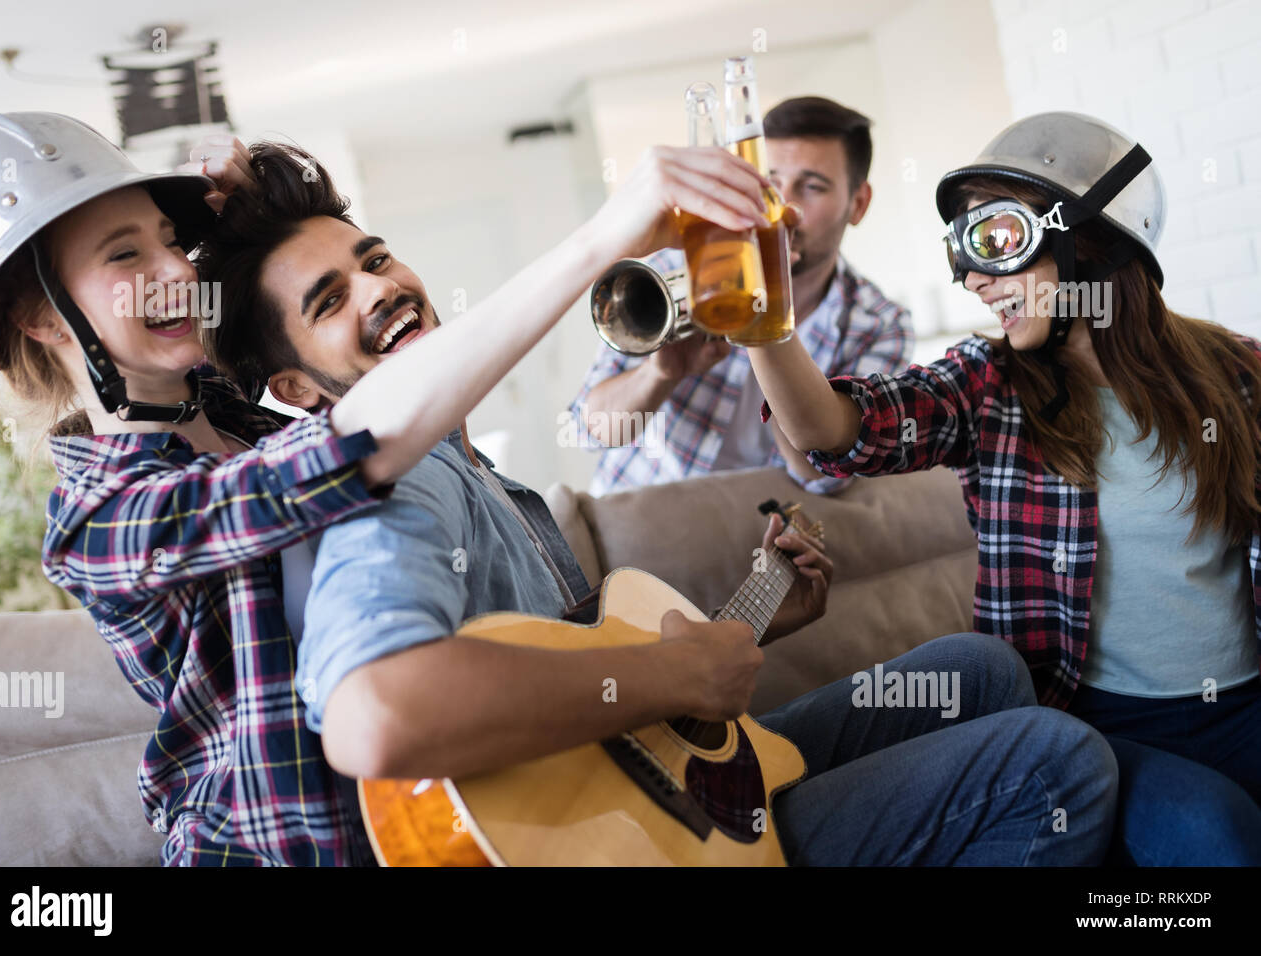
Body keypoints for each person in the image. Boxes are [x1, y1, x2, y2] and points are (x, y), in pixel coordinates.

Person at [198, 141, 1121, 866]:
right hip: (628, 845)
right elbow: (382, 715)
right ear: (299, 388)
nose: (381, 288)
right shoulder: (397, 482)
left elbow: (604, 717)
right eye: (329, 299)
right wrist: (683, 676)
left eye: (375, 259)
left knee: (980, 670)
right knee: (1058, 765)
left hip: (636, 800)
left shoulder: (488, 484)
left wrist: (746, 628)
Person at [0, 110, 783, 865]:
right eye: (124, 254)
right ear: (36, 316)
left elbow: (324, 372)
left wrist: (242, 212)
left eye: (169, 238)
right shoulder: (103, 521)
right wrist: (606, 234)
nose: (176, 267)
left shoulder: (236, 418)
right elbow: (352, 444)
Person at [746, 110, 1261, 865]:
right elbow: (836, 430)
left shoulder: (1240, 374)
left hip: (1244, 707)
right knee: (1218, 842)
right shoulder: (990, 387)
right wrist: (763, 323)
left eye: (995, 240)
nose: (974, 278)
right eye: (963, 248)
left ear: (1092, 236)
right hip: (1105, 723)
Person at [570, 96, 913, 496]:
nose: (780, 205)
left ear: (858, 203)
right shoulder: (671, 265)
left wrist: (765, 321)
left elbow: (825, 478)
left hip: (753, 531)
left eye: (812, 186)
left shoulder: (881, 325)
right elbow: (587, 431)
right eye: (770, 180)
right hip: (637, 512)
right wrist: (660, 373)